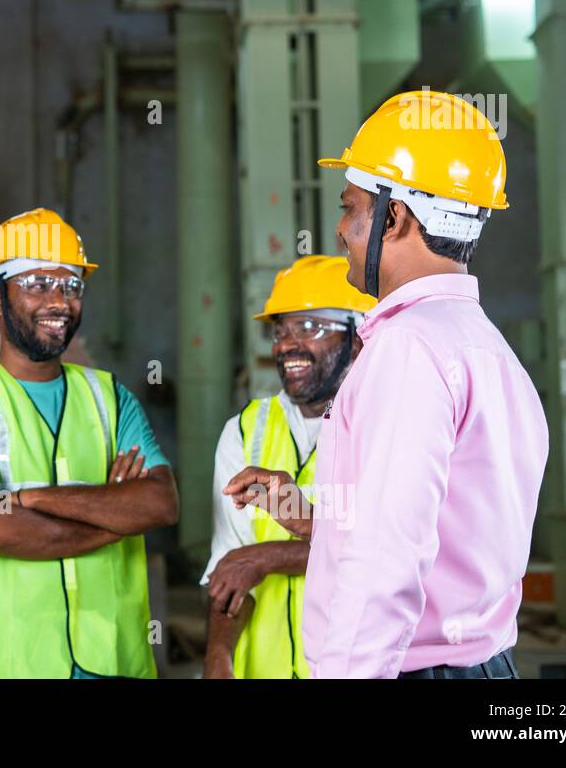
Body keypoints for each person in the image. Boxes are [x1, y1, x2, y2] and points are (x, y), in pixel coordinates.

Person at [225, 90, 549, 678]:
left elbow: (385, 559)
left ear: (393, 217)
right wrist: (311, 515)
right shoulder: (486, 348)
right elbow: (436, 525)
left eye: (351, 207)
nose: (341, 228)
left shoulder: (407, 349)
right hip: (484, 664)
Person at [0, 207, 178, 677]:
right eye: (38, 284)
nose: (59, 301)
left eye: (72, 286)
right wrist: (111, 519)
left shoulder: (110, 397)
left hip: (113, 658)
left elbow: (160, 504)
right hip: (5, 662)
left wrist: (26, 499)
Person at [202, 255, 374, 678]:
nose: (286, 345)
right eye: (280, 331)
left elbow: (383, 549)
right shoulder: (245, 431)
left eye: (310, 328)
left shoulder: (383, 425)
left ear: (357, 338)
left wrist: (269, 556)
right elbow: (231, 566)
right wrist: (218, 657)